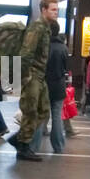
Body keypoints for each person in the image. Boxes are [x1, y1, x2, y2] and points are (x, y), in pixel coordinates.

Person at [8, 0, 58, 162]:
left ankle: (20, 139)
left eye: (57, 9)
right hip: (32, 75)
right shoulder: (37, 27)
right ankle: (23, 147)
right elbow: (26, 52)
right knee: (30, 110)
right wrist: (23, 76)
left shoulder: (47, 28)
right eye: (53, 9)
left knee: (43, 111)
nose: (56, 12)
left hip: (40, 75)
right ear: (43, 10)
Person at [30, 20, 69, 155]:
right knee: (57, 116)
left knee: (41, 116)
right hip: (58, 86)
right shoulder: (63, 47)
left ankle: (34, 146)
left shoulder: (41, 47)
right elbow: (66, 67)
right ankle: (58, 146)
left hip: (43, 85)